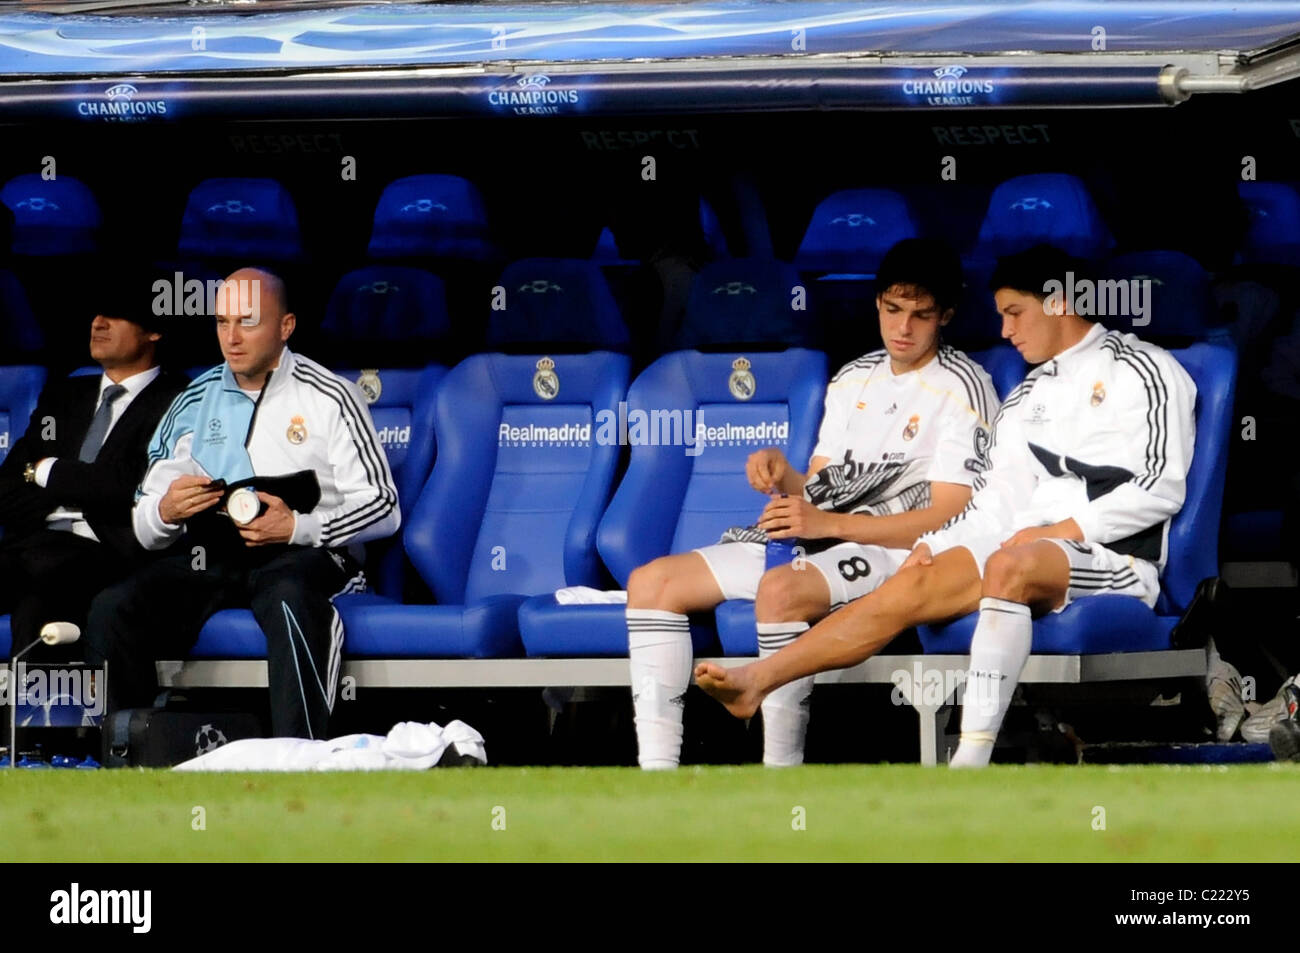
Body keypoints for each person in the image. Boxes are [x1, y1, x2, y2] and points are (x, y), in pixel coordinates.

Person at [694, 244, 1198, 768]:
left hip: (1114, 559)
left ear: (1058, 303)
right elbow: (994, 506)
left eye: (1014, 313)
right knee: (912, 579)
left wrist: (1063, 530)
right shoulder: (1025, 399)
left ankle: (969, 762)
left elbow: (1161, 488)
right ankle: (758, 680)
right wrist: (932, 546)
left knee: (1010, 563)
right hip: (1025, 553)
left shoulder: (1146, 369)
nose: (1004, 331)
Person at [626, 238, 999, 769]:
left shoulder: (966, 385)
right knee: (651, 582)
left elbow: (949, 514)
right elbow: (824, 483)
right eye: (893, 310)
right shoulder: (852, 378)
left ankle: (783, 778)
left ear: (946, 316)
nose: (903, 328)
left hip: (896, 554)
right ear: (877, 304)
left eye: (920, 315)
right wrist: (788, 477)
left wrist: (826, 519)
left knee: (780, 591)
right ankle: (655, 779)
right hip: (820, 535)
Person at [83, 267, 400, 739]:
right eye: (221, 322)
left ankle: (301, 757)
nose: (231, 338)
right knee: (114, 606)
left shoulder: (331, 395)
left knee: (291, 598)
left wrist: (296, 527)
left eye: (247, 322)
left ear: (285, 327)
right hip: (214, 556)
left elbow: (383, 505)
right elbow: (147, 524)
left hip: (308, 556)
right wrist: (166, 511)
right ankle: (130, 755)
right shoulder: (196, 398)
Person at [0, 271, 187, 663]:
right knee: (36, 575)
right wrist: (75, 484)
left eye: (116, 315)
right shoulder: (66, 395)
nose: (97, 323)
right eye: (96, 314)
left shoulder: (179, 401)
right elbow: (8, 484)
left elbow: (128, 488)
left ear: (154, 331)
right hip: (32, 545)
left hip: (110, 552)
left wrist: (47, 471)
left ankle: (39, 724)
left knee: (41, 601)